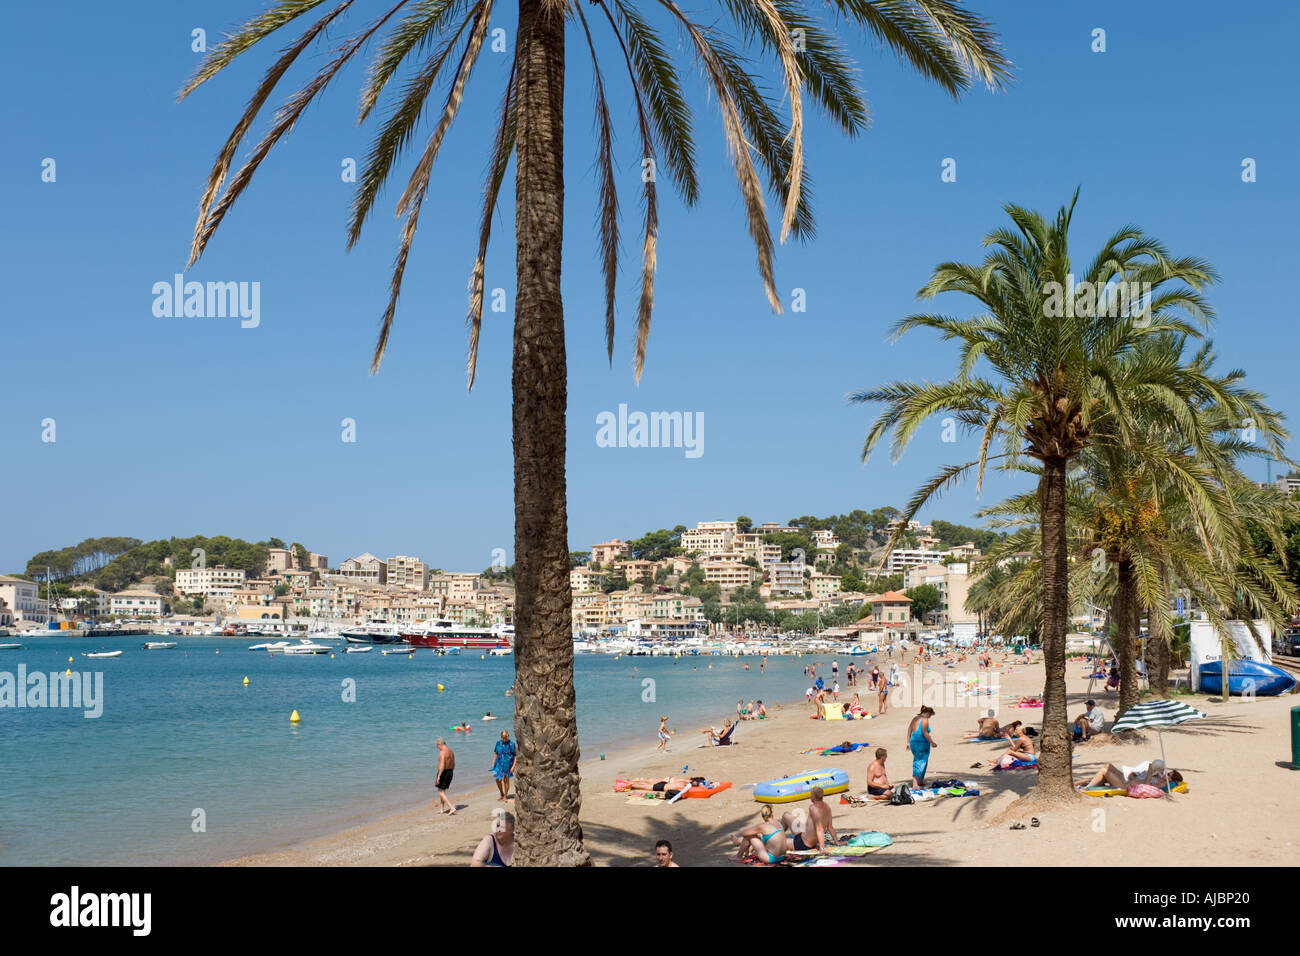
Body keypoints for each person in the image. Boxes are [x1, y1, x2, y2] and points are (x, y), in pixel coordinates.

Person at [782, 786, 838, 851]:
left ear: (813, 797)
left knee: (778, 843)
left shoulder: (813, 808)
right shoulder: (827, 806)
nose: (809, 796)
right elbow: (830, 827)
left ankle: (778, 836)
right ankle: (780, 834)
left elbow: (819, 829)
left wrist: (822, 848)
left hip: (803, 843)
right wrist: (837, 842)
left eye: (811, 794)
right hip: (802, 835)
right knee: (785, 815)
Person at [1076, 760, 1177, 791]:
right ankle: (1080, 784)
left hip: (1126, 787)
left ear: (1171, 779)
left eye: (1168, 775)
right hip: (1127, 782)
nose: (1165, 774)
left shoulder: (1161, 784)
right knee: (1108, 766)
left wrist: (1150, 774)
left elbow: (1146, 786)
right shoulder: (1158, 776)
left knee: (1104, 771)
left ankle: (1087, 789)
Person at [905, 706, 936, 788]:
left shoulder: (915, 718)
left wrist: (908, 742)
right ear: (928, 713)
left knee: (921, 761)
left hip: (913, 742)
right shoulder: (925, 720)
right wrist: (932, 742)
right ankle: (915, 783)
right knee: (920, 761)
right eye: (930, 715)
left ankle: (920, 781)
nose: (930, 717)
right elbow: (925, 733)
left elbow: (909, 729)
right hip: (922, 743)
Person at [492, 730, 518, 800]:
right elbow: (496, 753)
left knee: (506, 780)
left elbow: (515, 756)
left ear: (508, 737)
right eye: (503, 738)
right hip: (499, 764)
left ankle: (505, 796)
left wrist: (513, 766)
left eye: (506, 738)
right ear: (501, 737)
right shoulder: (498, 743)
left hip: (508, 765)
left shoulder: (511, 744)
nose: (504, 739)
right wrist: (493, 763)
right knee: (498, 780)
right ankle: (501, 793)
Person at [435, 737, 456, 814]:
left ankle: (452, 808)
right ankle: (441, 809)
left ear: (439, 744)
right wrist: (450, 772)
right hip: (450, 772)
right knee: (442, 790)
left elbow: (442, 765)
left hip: (443, 772)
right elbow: (454, 763)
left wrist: (439, 776)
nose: (437, 748)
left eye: (437, 746)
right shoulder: (451, 751)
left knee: (440, 791)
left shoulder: (442, 752)